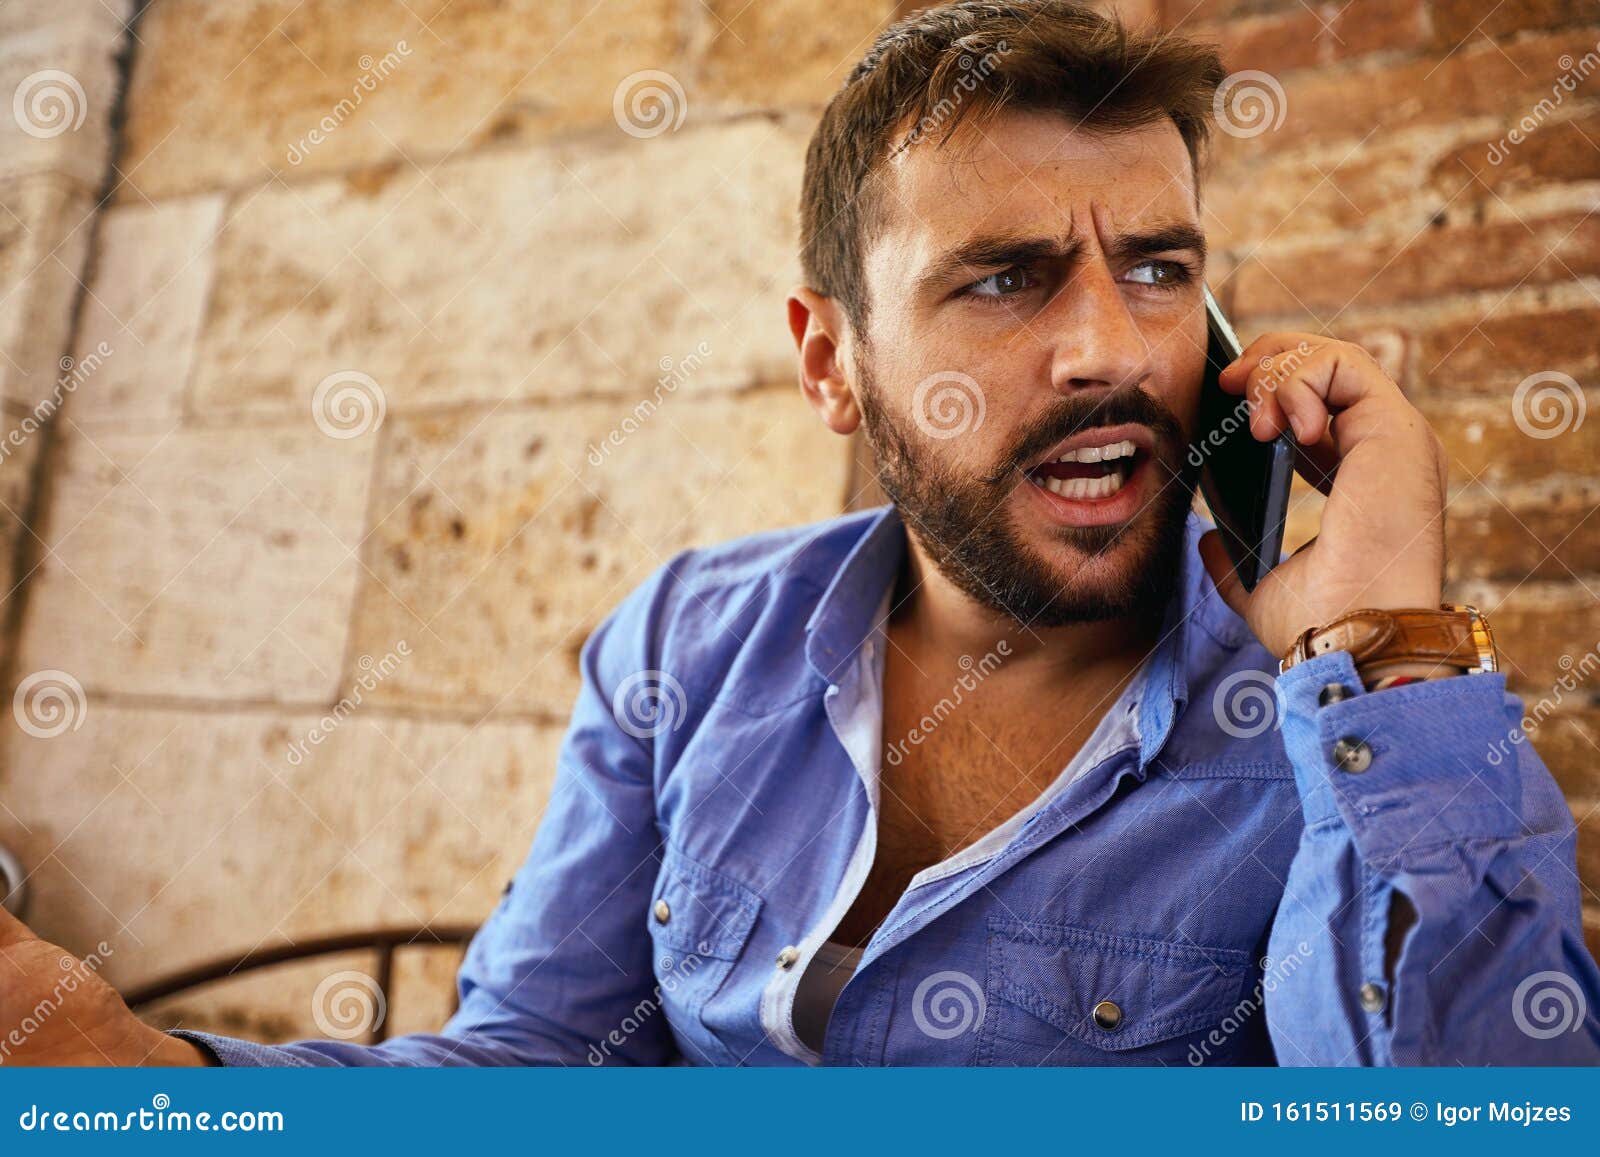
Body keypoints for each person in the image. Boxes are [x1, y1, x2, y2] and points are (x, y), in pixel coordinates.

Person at [5, 0, 1597, 1067]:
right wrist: (136, 1070)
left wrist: (1378, 648)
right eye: (1006, 277)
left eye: (1163, 268)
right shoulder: (693, 639)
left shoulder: (1341, 723)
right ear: (833, 358)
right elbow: (537, 1073)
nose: (1112, 346)